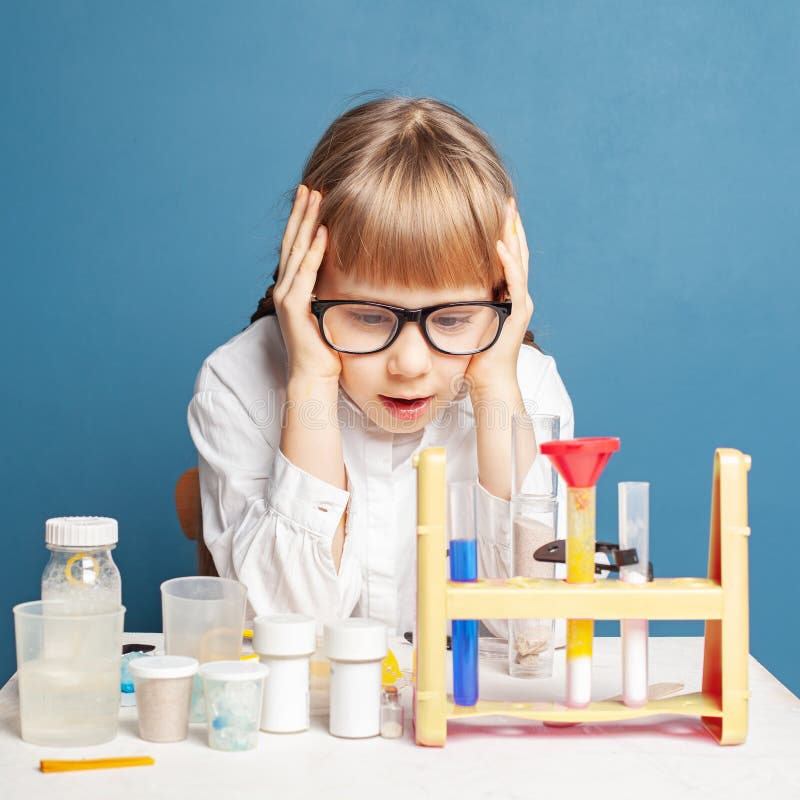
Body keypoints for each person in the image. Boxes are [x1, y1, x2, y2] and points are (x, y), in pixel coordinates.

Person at [187, 96, 574, 639]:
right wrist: (311, 383)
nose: (410, 364)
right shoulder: (238, 383)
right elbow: (287, 629)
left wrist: (494, 390)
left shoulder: (525, 387)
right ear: (305, 286)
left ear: (504, 296)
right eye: (369, 317)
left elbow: (534, 631)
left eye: (454, 319)